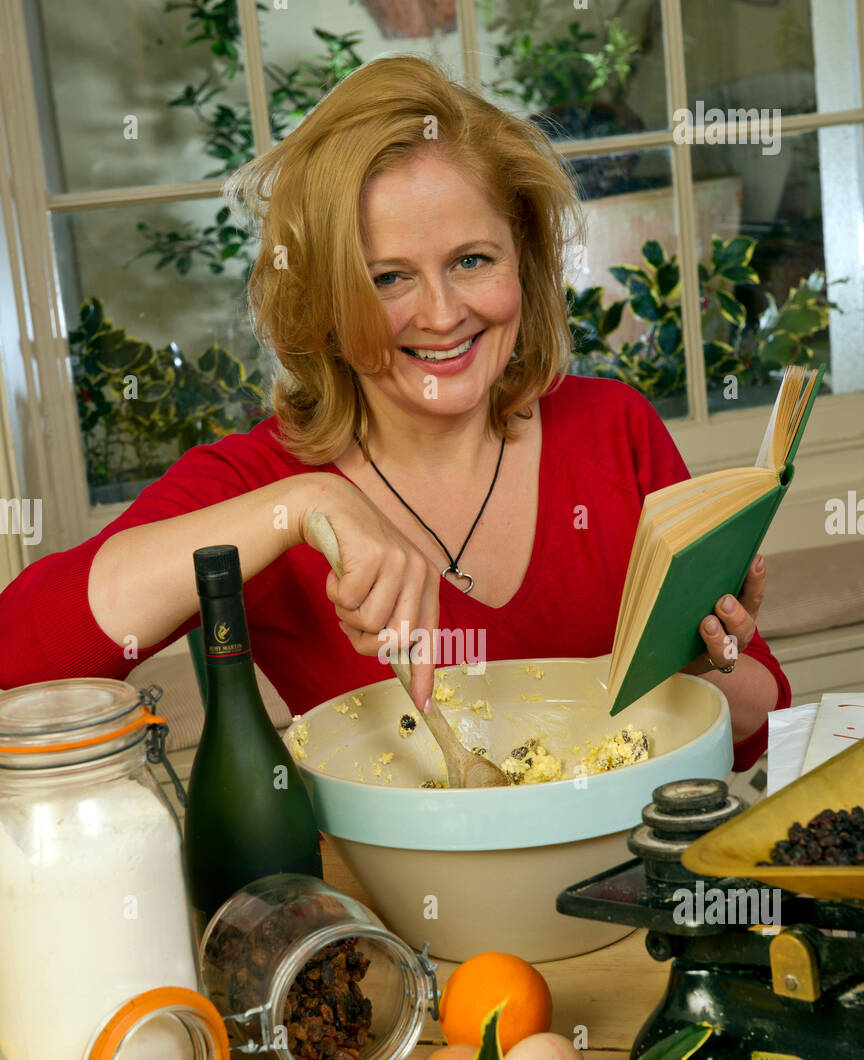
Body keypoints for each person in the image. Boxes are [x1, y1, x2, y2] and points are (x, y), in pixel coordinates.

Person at [0, 56, 788, 770]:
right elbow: (18, 657)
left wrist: (689, 668)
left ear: (525, 259)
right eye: (386, 279)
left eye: (472, 261)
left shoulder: (615, 430)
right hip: (390, 917)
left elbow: (763, 715)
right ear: (323, 302)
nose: (442, 314)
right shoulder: (261, 482)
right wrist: (305, 505)